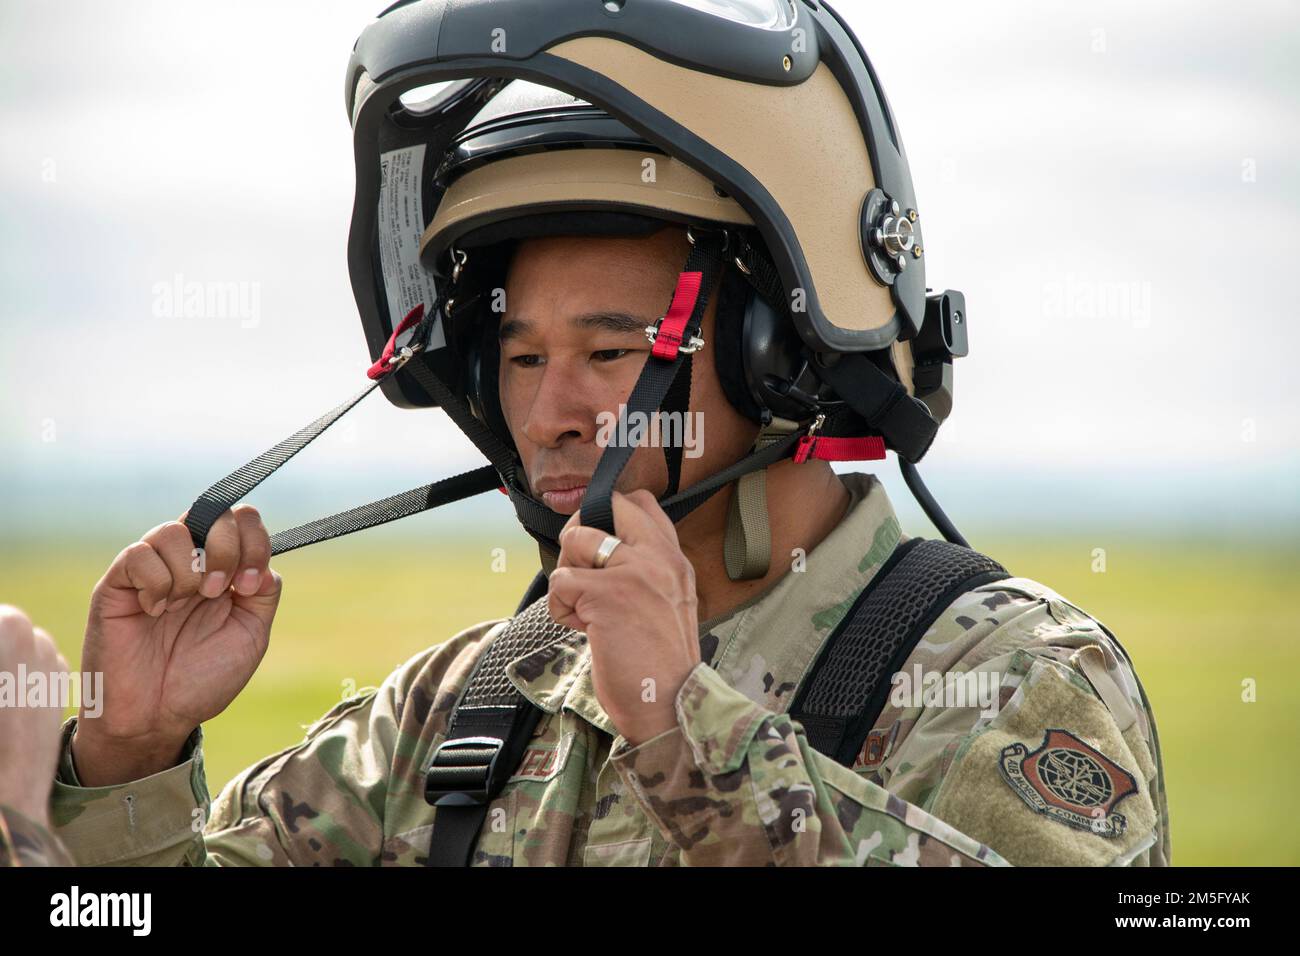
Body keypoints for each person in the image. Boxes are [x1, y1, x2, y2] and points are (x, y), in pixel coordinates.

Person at [0, 0, 1169, 867]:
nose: (549, 410)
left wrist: (684, 725)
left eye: (611, 354)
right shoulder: (463, 708)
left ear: (777, 358)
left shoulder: (1004, 677)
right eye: (519, 358)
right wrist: (129, 759)